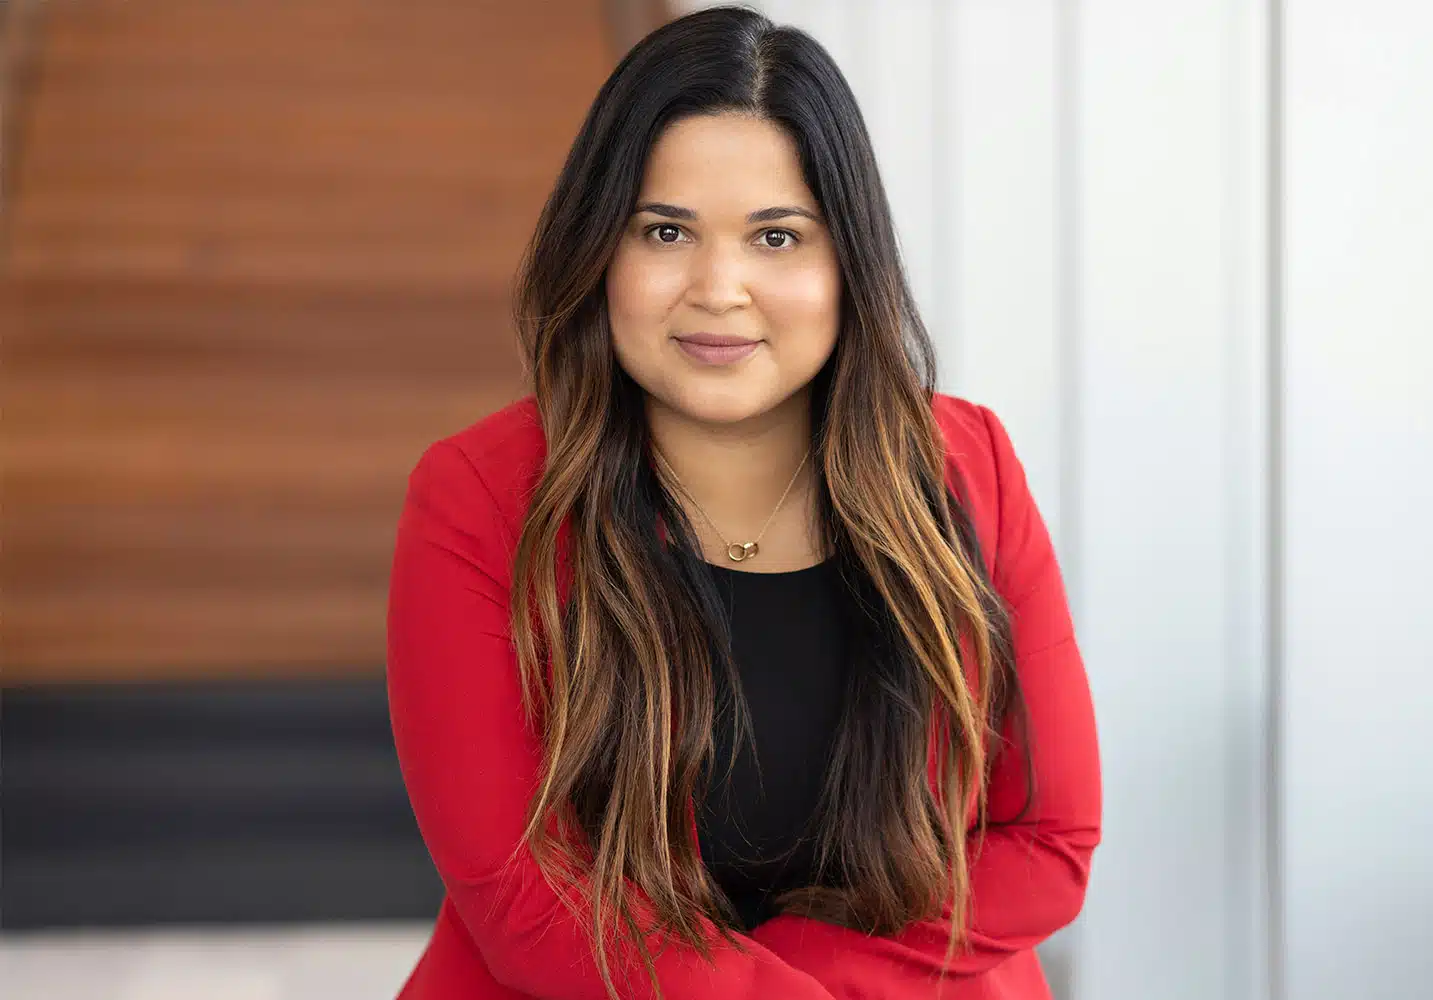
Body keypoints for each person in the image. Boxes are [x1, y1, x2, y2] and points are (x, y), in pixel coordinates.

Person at [385, 7, 1100, 999]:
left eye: (775, 236)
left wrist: (809, 979)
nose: (719, 288)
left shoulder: (967, 468)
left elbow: (1048, 840)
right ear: (599, 250)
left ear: (847, 260)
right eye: (665, 231)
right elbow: (525, 899)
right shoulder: (478, 496)